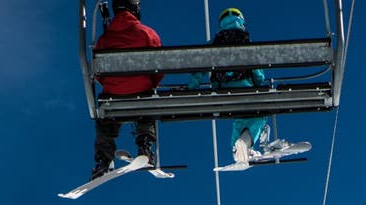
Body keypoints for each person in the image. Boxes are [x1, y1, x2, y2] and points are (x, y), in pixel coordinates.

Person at [187, 9, 289, 164]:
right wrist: (258, 85)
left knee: (240, 118)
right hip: (244, 87)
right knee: (259, 115)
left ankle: (238, 149)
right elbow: (257, 70)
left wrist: (192, 86)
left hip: (220, 91)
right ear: (241, 21)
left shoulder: (215, 42)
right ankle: (244, 144)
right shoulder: (245, 41)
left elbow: (200, 67)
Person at [91, 0, 163, 179]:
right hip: (142, 90)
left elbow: (98, 72)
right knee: (147, 107)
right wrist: (151, 83)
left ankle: (103, 160)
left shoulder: (105, 39)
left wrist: (112, 84)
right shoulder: (147, 33)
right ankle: (145, 146)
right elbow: (159, 64)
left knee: (106, 118)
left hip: (113, 93)